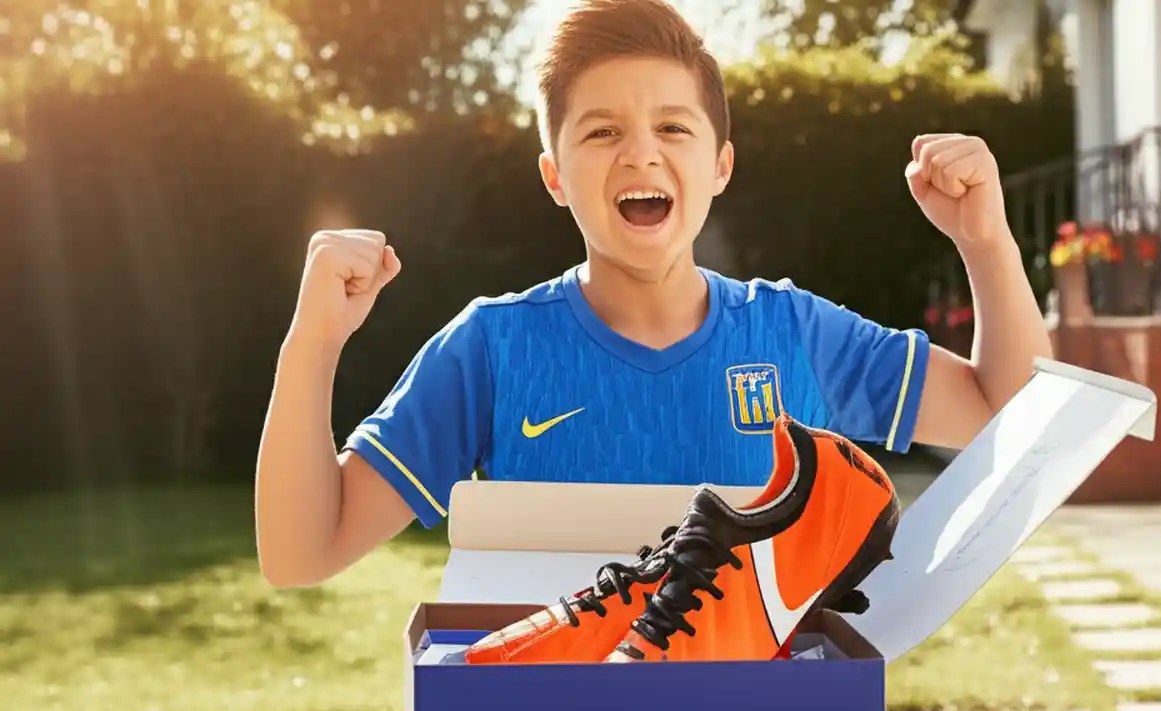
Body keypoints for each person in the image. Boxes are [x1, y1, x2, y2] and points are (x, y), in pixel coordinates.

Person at [254, 0, 1052, 588]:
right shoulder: (491, 349)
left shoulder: (797, 334)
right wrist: (313, 343)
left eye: (674, 128)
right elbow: (299, 553)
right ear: (555, 177)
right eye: (602, 131)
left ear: (720, 167)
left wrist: (986, 243)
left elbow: (1013, 420)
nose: (641, 153)